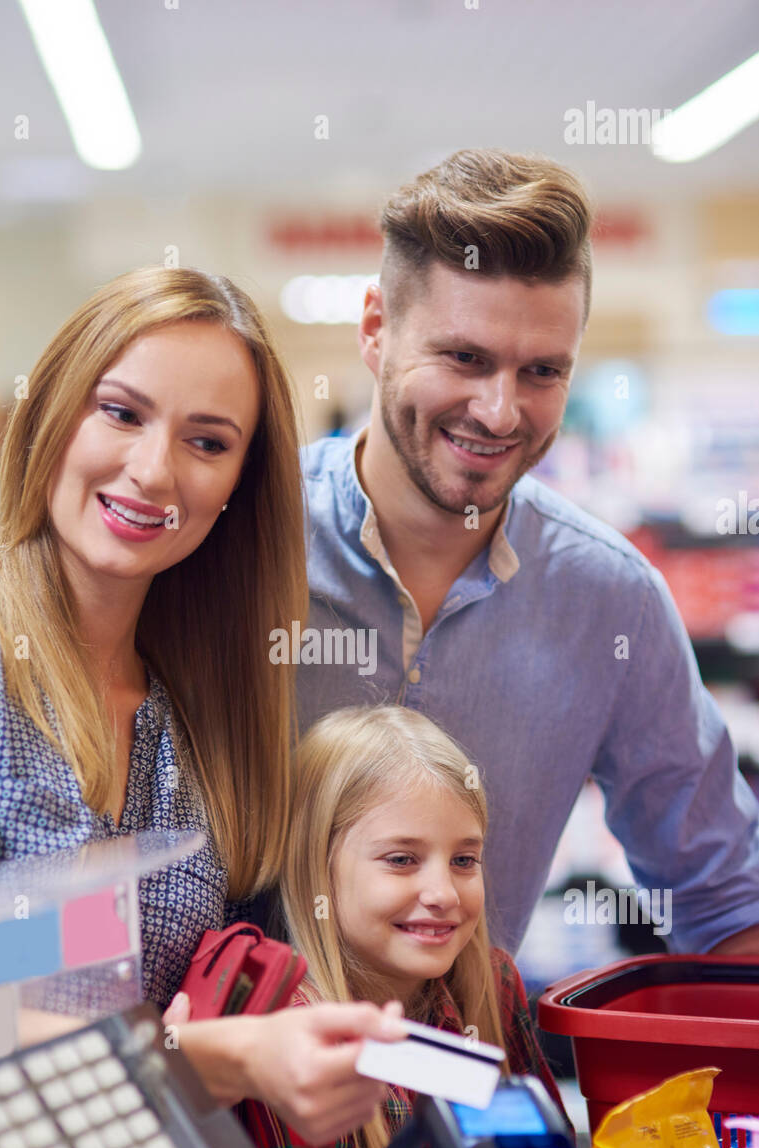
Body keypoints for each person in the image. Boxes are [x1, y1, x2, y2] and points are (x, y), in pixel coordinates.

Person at [0, 265, 406, 1145]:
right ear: (55, 410)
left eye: (207, 443)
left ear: (240, 483)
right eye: (121, 413)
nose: (151, 470)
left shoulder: (194, 714)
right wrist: (219, 1060)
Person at [296, 149, 759, 960]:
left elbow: (721, 897)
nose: (500, 412)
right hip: (221, 1075)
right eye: (464, 358)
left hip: (479, 1079)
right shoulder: (236, 545)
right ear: (375, 330)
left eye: (541, 371)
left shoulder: (609, 599)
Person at [237, 704, 571, 1148]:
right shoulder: (286, 1033)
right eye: (401, 860)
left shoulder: (489, 987)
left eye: (464, 860)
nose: (443, 892)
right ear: (317, 866)